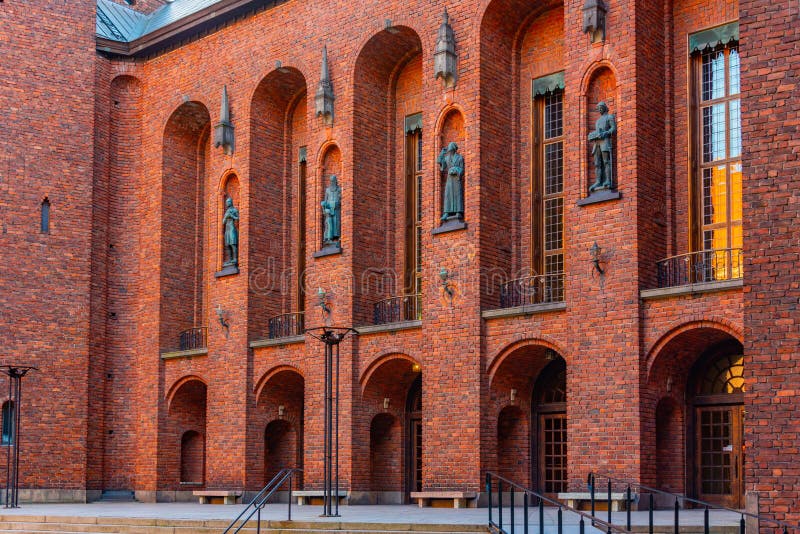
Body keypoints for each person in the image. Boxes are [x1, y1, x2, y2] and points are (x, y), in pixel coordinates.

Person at [588, 101, 616, 192]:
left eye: (601, 107)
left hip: (605, 142)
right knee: (597, 163)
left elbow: (613, 128)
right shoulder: (598, 121)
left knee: (606, 162)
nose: (599, 109)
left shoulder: (609, 117)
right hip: (597, 143)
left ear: (604, 107)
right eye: (598, 108)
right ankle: (598, 181)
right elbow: (597, 131)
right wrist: (593, 135)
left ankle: (608, 180)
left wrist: (605, 133)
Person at [438, 142, 464, 221]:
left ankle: (458, 211)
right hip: (449, 179)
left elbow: (462, 169)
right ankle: (446, 213)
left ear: (454, 149)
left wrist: (456, 170)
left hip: (456, 179)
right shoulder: (446, 158)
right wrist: (442, 153)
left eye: (451, 150)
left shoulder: (460, 158)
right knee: (448, 195)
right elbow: (441, 165)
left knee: (457, 194)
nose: (450, 151)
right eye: (449, 150)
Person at [321, 174, 341, 246]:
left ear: (336, 181)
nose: (333, 182)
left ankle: (336, 237)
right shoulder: (327, 190)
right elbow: (325, 200)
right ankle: (328, 238)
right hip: (329, 209)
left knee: (336, 223)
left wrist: (338, 203)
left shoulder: (339, 189)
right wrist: (325, 206)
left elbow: (341, 198)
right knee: (329, 223)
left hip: (336, 209)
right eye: (331, 181)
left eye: (334, 180)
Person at [222, 197, 239, 266]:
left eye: (228, 202)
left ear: (231, 202)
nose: (227, 203)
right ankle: (230, 259)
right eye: (226, 202)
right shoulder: (226, 211)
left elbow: (238, 218)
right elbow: (223, 222)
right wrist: (226, 217)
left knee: (233, 244)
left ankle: (235, 259)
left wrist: (231, 216)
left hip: (232, 228)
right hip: (227, 229)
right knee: (228, 245)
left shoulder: (234, 210)